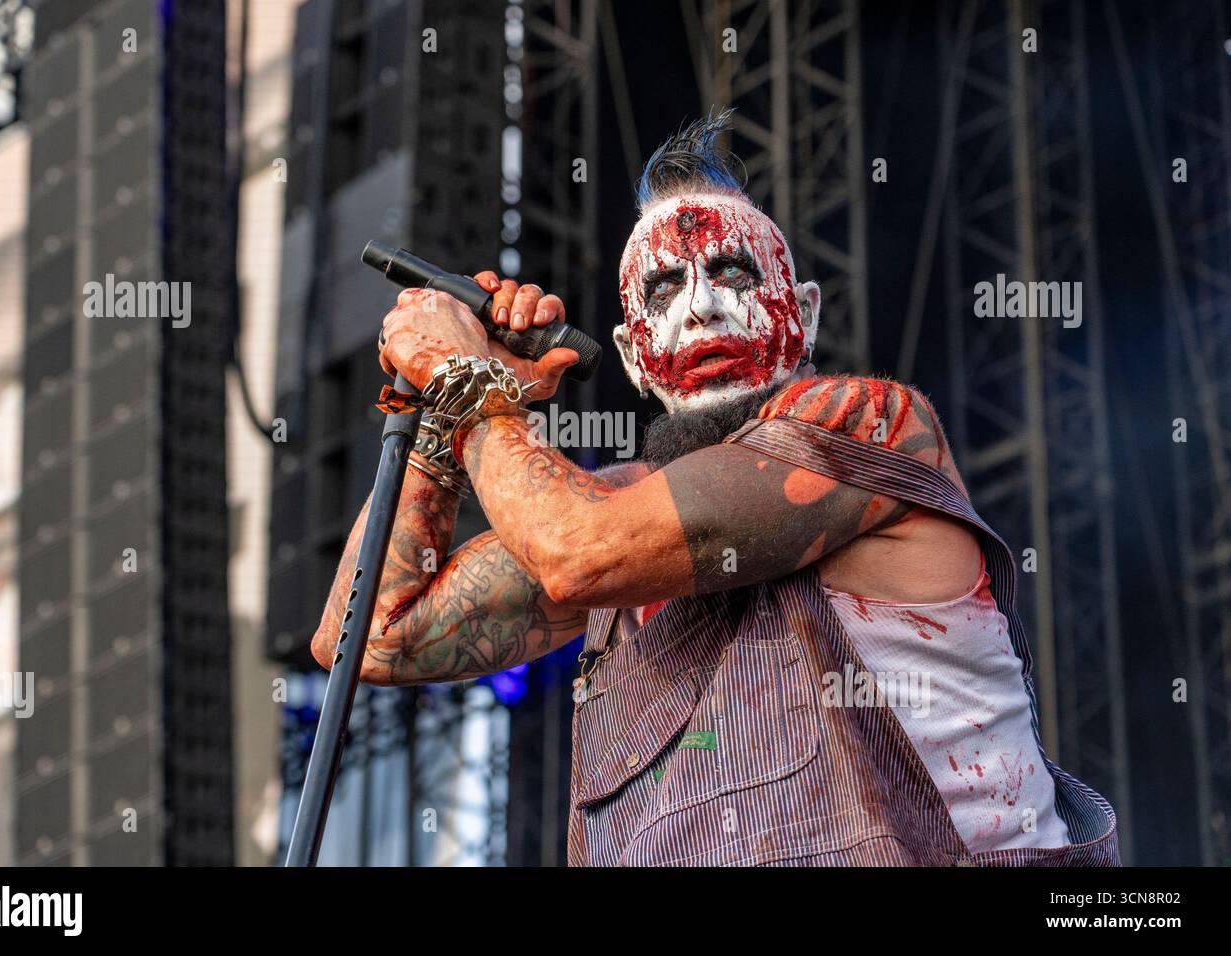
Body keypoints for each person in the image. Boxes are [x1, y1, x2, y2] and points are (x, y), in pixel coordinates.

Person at [311, 111, 1120, 866]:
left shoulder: (866, 423)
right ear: (632, 356)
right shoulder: (616, 510)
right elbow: (372, 638)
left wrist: (464, 376)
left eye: (731, 272)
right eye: (664, 290)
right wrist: (431, 424)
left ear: (800, 314)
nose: (700, 308)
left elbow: (579, 555)